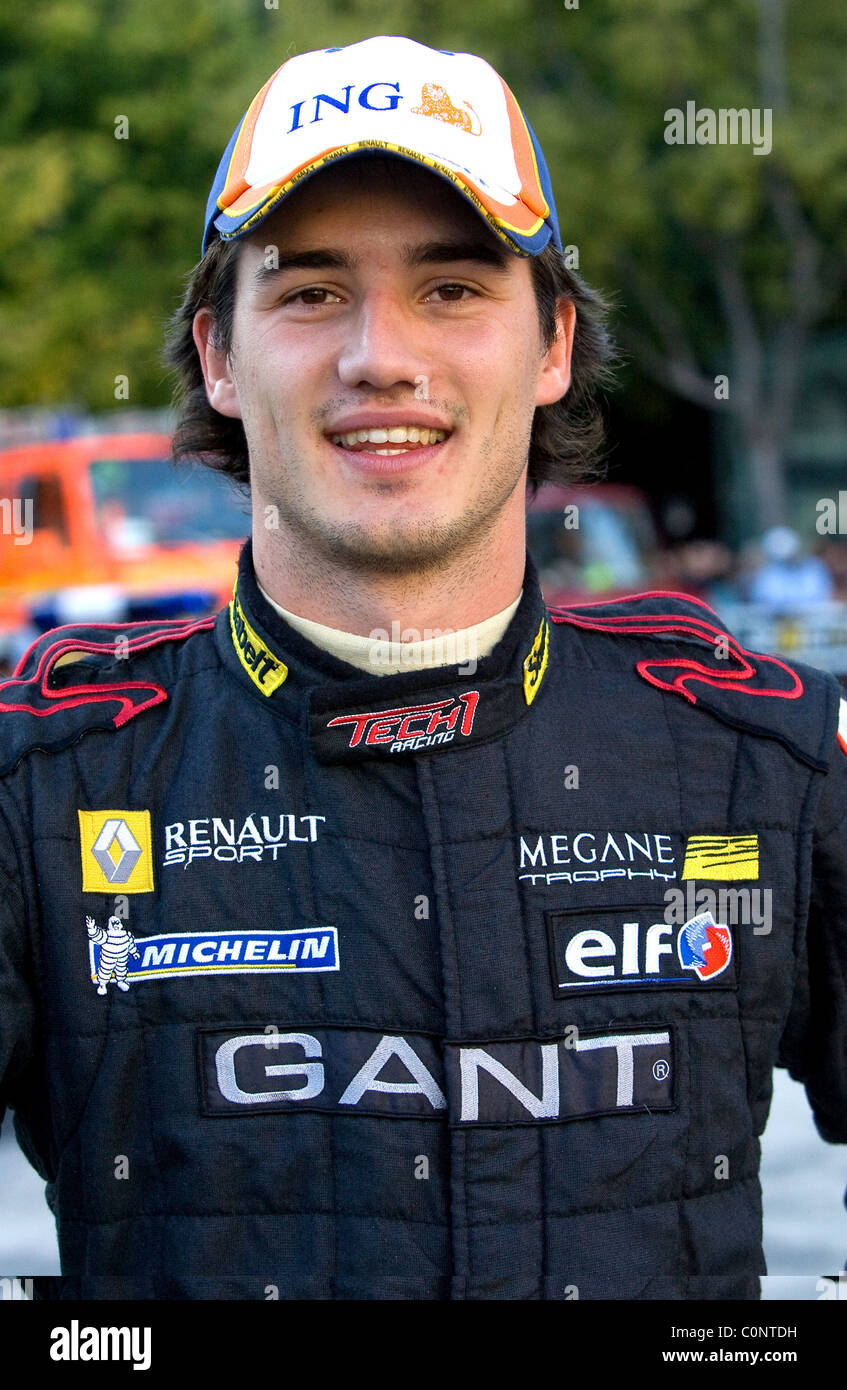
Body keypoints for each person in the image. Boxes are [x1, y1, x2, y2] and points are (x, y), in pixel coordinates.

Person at [0, 33, 845, 1302]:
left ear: (552, 342)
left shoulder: (762, 757)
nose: (380, 356)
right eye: (309, 291)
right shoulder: (45, 777)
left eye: (451, 289)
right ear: (220, 356)